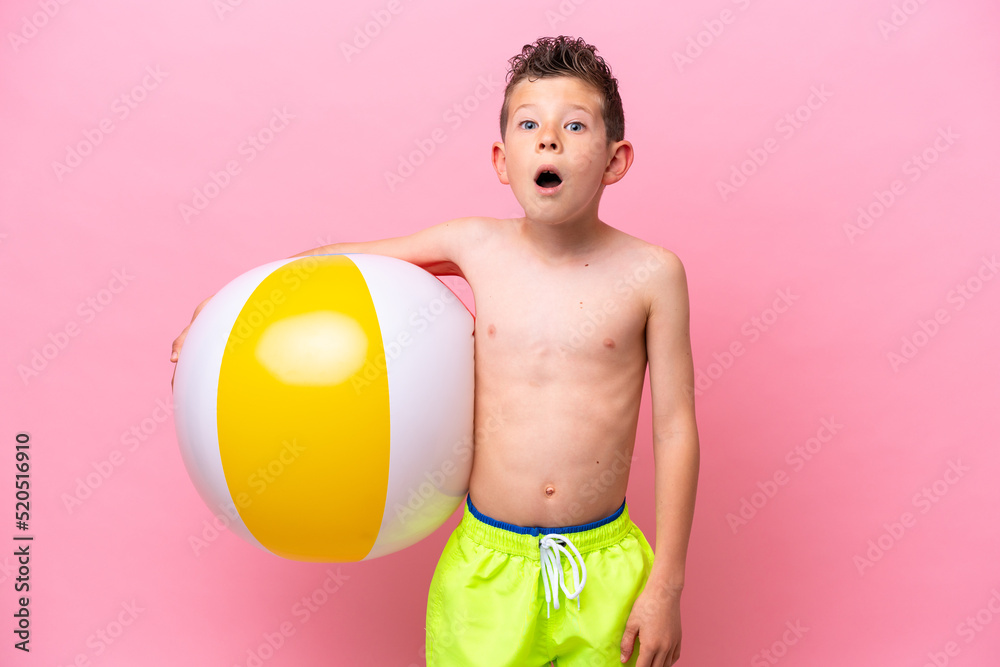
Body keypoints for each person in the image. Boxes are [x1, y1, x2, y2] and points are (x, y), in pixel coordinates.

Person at [171, 35, 699, 667]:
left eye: (574, 125)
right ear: (504, 160)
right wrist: (230, 307)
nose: (549, 140)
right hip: (485, 566)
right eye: (530, 125)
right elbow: (344, 264)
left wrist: (664, 584)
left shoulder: (652, 274)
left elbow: (675, 429)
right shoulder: (475, 246)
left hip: (606, 567)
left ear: (615, 160)